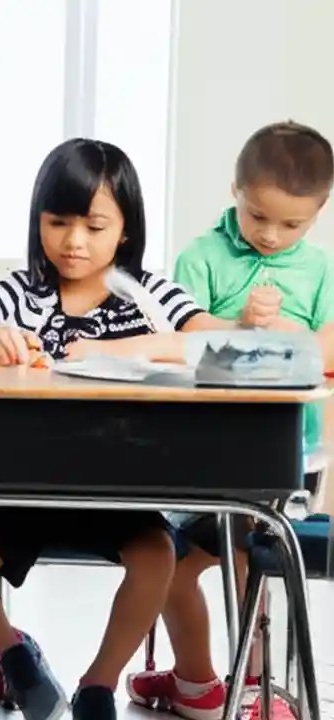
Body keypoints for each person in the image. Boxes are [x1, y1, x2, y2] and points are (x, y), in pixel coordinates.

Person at [0, 138, 225, 720]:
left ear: (126, 230)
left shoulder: (150, 295)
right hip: (23, 483)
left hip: (121, 485)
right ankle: (15, 653)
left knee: (157, 555)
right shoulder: (23, 293)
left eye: (94, 225)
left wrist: (117, 346)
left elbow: (207, 339)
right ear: (38, 223)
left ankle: (97, 686)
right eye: (58, 222)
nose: (73, 241)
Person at [126, 121, 334, 720]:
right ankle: (197, 681)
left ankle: (258, 686)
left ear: (317, 214)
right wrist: (237, 326)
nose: (270, 235)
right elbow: (176, 340)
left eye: (290, 224)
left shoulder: (319, 271)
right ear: (234, 192)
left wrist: (293, 338)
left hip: (278, 460)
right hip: (199, 453)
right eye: (257, 216)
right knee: (163, 562)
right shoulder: (201, 258)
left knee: (249, 560)